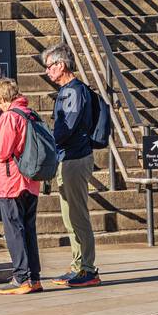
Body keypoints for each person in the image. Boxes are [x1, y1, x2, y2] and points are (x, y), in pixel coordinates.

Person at [41, 43, 101, 288]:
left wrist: (45, 138)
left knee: (78, 216)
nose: (47, 72)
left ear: (60, 65)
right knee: (69, 217)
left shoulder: (74, 92)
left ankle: (88, 269)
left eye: (49, 67)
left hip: (75, 159)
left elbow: (68, 127)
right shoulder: (68, 91)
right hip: (68, 158)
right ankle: (78, 265)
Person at [0, 77, 42, 295]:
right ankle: (34, 278)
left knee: (14, 230)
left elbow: (4, 152)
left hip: (12, 181)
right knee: (29, 230)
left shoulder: (9, 117)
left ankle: (21, 277)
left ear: (4, 98)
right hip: (31, 181)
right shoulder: (31, 114)